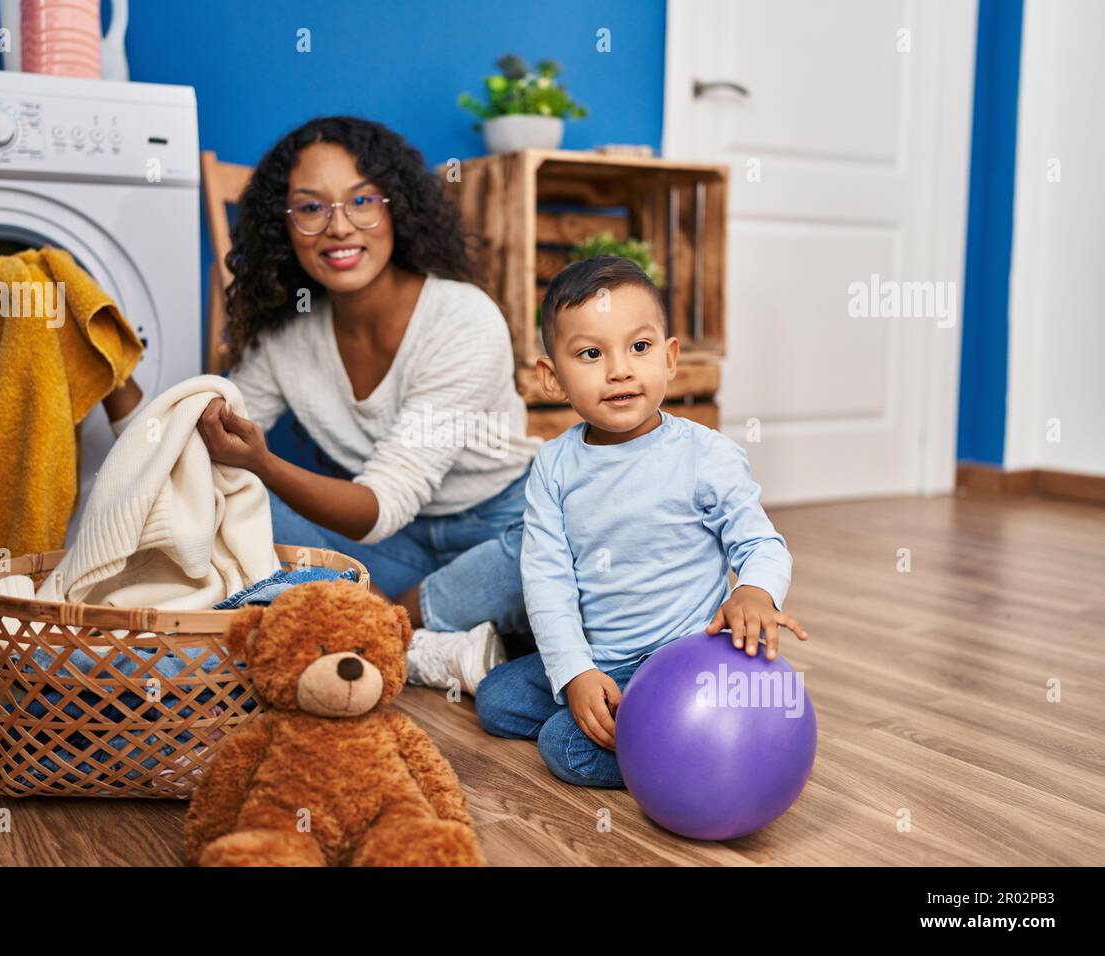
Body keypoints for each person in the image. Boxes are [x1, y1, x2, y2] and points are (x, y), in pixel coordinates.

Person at [111, 116, 541, 696]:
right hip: (389, 554)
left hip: (497, 532)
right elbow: (184, 449)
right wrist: (109, 375)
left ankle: (376, 625)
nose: (339, 227)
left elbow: (381, 504)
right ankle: (410, 639)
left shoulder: (463, 319)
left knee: (546, 556)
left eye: (362, 200)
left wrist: (265, 463)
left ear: (395, 208)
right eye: (310, 208)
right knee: (223, 488)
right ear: (282, 227)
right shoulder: (286, 338)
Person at [475, 256, 809, 787]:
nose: (620, 370)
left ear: (670, 358)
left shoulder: (705, 455)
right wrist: (578, 672)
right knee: (496, 700)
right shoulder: (553, 465)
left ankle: (683, 742)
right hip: (599, 652)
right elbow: (546, 578)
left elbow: (760, 543)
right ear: (552, 377)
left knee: (564, 746)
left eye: (640, 347)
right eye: (590, 353)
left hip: (678, 659)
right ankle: (637, 724)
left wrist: (755, 593)